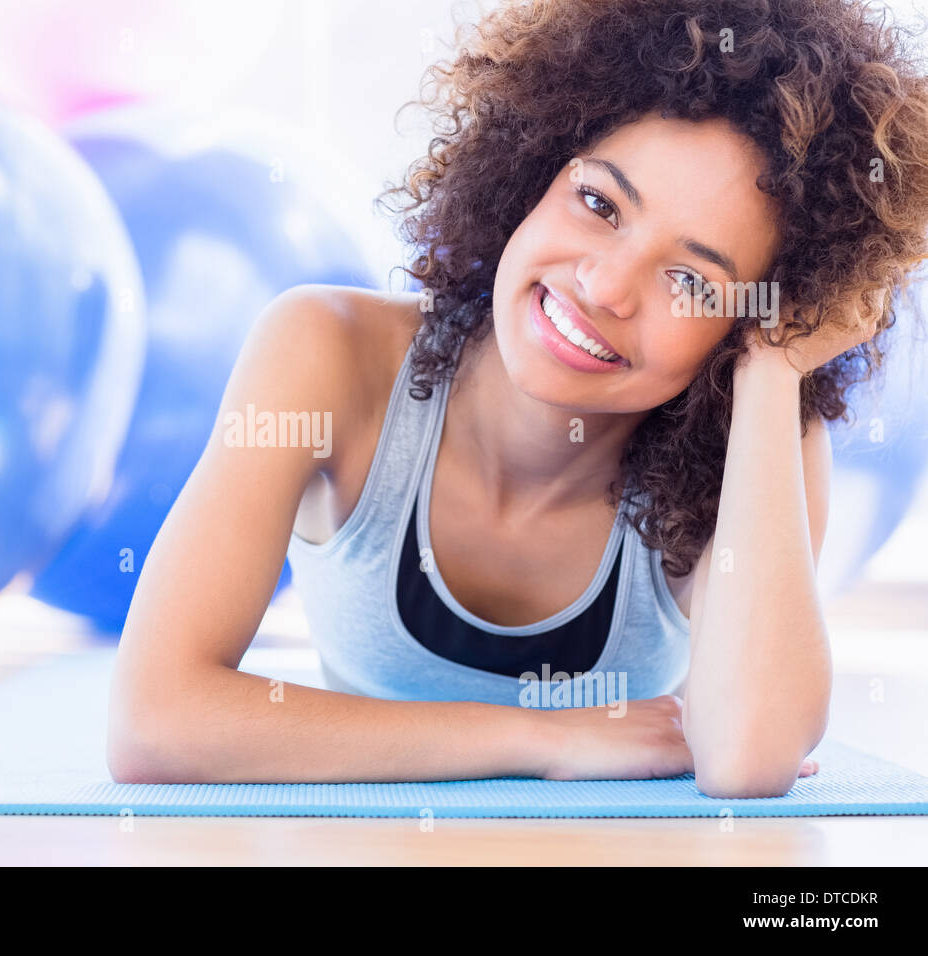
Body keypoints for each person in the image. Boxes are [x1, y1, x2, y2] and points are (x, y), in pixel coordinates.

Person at [107, 0, 928, 798]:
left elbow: (748, 759)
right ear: (533, 170)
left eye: (691, 282)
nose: (605, 286)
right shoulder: (327, 350)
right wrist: (542, 738)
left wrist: (771, 372)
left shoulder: (756, 437)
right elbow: (153, 721)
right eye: (599, 204)